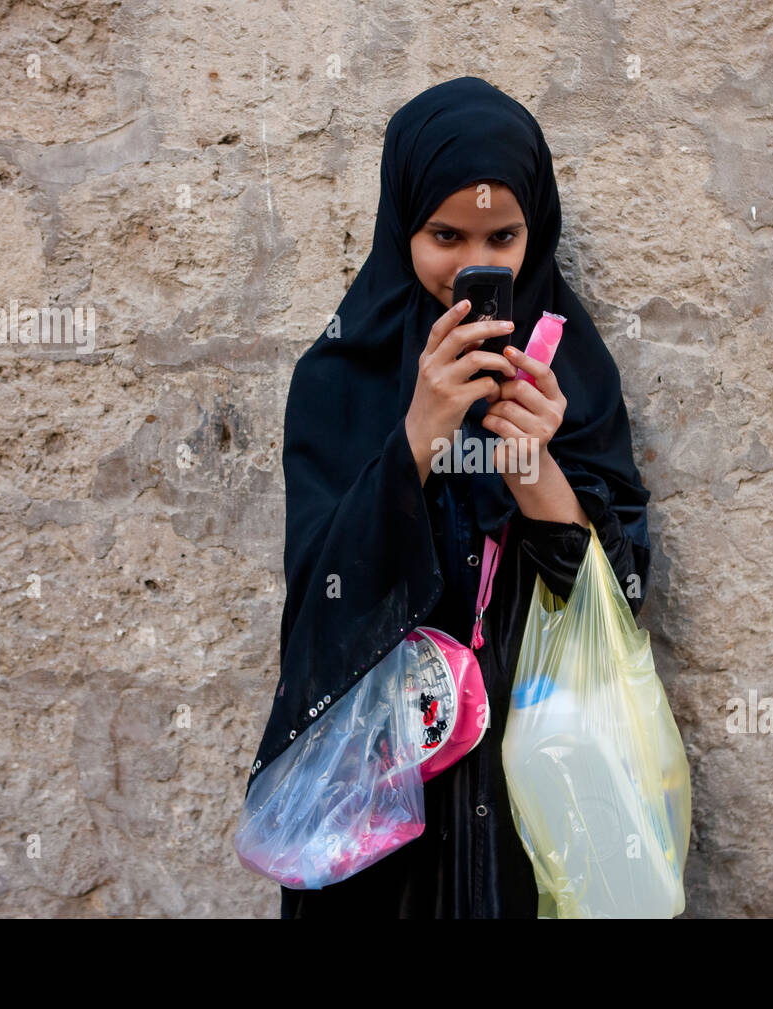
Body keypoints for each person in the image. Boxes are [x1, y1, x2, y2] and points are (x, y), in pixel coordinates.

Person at [244, 76, 652, 918]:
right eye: (444, 235)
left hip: (527, 790)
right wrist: (421, 432)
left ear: (536, 233)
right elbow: (321, 608)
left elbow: (619, 603)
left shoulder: (573, 378)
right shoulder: (338, 377)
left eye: (502, 236)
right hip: (380, 807)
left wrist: (533, 465)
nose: (475, 263)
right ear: (402, 227)